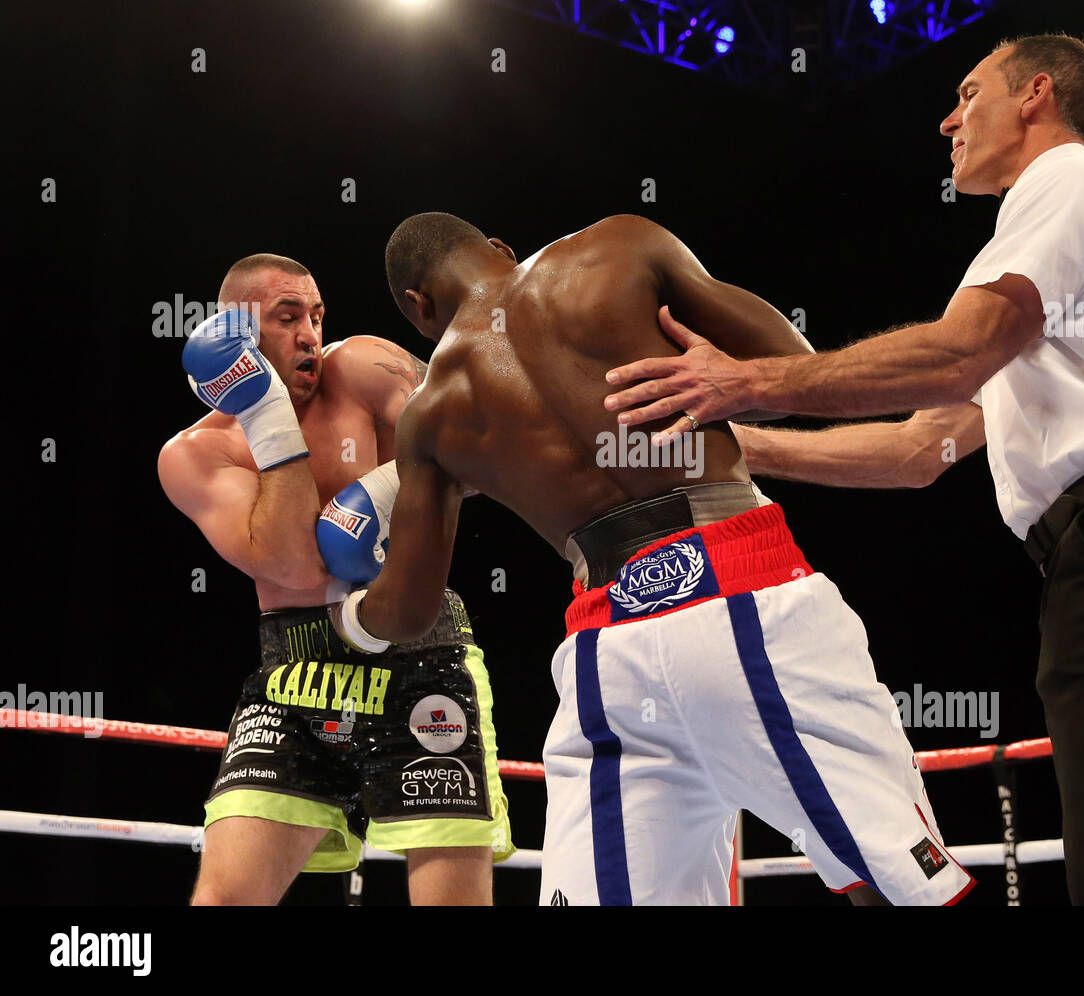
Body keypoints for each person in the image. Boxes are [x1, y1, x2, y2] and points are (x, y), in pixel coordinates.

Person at [603, 34, 1084, 906]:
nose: (948, 119)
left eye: (968, 92)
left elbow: (956, 353)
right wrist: (739, 446)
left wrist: (745, 381)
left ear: (1035, 95)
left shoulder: (1075, 180)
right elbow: (920, 451)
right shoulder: (1056, 296)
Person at [327, 212, 975, 906]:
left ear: (418, 308)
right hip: (740, 583)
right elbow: (791, 362)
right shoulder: (617, 246)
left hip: (606, 653)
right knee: (893, 883)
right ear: (498, 248)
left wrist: (346, 613)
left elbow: (411, 609)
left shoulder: (432, 415)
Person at [157, 253, 513, 905]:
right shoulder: (198, 454)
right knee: (224, 900)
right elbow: (292, 562)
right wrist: (266, 410)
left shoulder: (364, 369)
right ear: (233, 332)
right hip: (294, 676)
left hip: (421, 655)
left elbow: (486, 441)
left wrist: (384, 489)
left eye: (316, 316)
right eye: (286, 317)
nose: (309, 335)